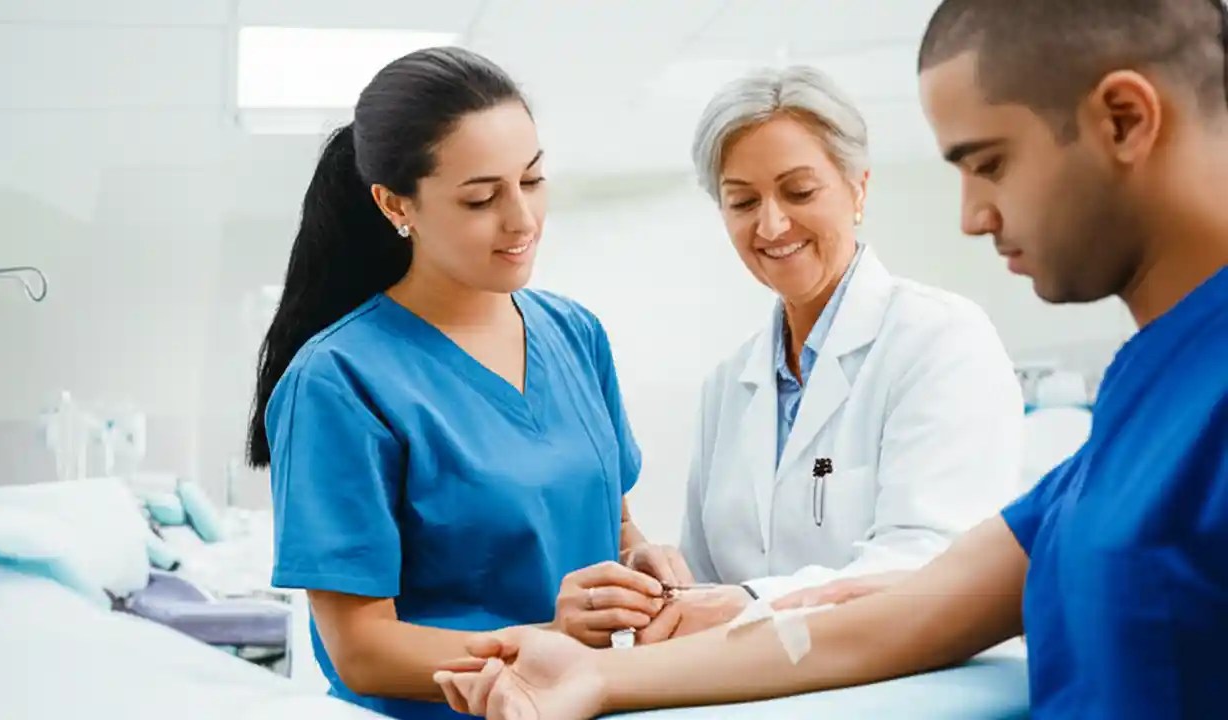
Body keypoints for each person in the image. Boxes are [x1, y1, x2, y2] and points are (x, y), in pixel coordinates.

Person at [432, 0, 1228, 716]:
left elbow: (916, 576)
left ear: (1125, 120)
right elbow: (902, 611)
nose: (971, 217)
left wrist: (737, 606)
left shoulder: (958, 341)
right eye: (741, 201)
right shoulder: (1141, 397)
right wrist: (602, 667)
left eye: (989, 163)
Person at [247, 47, 679, 720]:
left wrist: (640, 564)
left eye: (532, 182)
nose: (522, 221)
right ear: (397, 205)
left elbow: (611, 521)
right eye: (481, 198)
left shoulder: (575, 334)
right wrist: (549, 642)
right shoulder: (338, 381)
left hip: (592, 703)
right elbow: (362, 649)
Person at [622, 65, 1023, 642]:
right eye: (742, 201)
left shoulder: (940, 340)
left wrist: (749, 605)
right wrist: (662, 595)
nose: (772, 223)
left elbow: (930, 568)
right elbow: (707, 583)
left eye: (799, 191)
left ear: (858, 188)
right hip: (751, 695)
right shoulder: (728, 386)